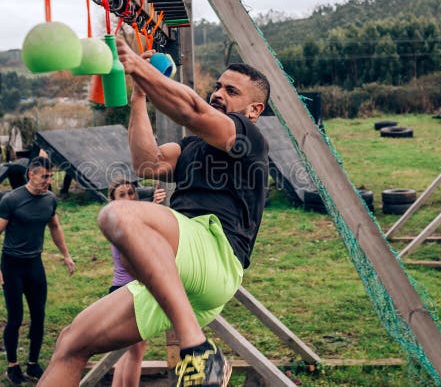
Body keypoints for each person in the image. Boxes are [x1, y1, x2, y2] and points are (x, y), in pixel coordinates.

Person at [39, 38, 270, 387]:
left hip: (214, 251)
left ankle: (197, 348)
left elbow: (191, 110)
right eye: (218, 86)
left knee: (120, 214)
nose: (219, 93)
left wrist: (138, 66)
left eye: (231, 91)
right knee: (71, 342)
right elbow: (146, 162)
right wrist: (139, 99)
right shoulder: (192, 145)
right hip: (178, 271)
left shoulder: (247, 136)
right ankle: (197, 345)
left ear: (253, 110)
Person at [0, 156, 76, 384]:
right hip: (12, 265)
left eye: (50, 176)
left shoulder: (49, 199)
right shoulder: (12, 199)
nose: (48, 181)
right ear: (31, 175)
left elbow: (54, 226)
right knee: (15, 318)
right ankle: (12, 365)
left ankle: (33, 364)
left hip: (34, 265)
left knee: (39, 316)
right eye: (44, 176)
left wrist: (66, 255)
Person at [106, 178, 166, 387]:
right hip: (130, 291)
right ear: (112, 201)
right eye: (122, 194)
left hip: (120, 290)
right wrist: (157, 210)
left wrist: (155, 207)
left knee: (125, 353)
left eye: (131, 192)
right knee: (136, 354)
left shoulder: (123, 218)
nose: (129, 197)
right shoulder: (120, 221)